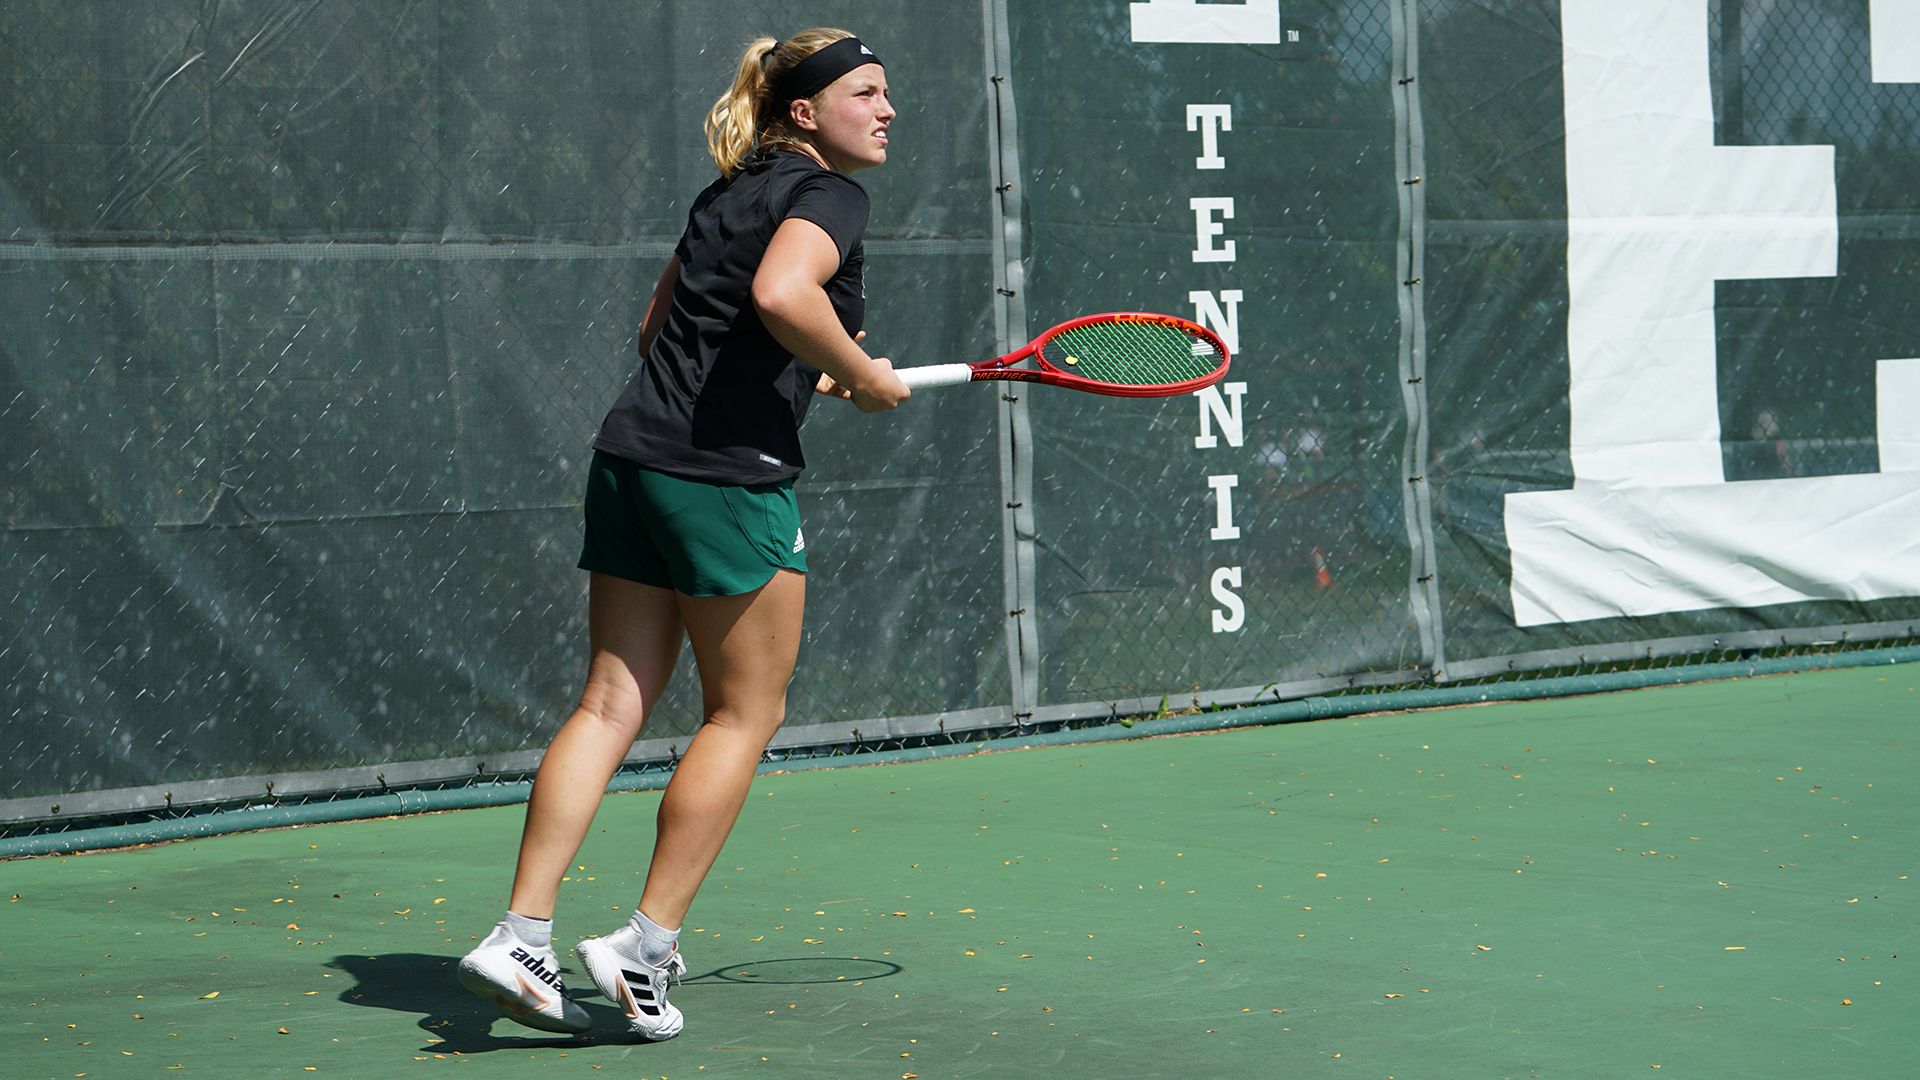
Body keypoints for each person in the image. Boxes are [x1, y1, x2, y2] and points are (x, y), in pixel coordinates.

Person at [456, 28, 906, 1042]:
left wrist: (812, 372)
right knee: (744, 715)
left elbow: (666, 325)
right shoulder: (831, 195)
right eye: (867, 92)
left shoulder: (729, 193)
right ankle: (643, 947)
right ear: (807, 111)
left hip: (631, 458)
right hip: (724, 481)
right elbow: (782, 296)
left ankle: (520, 935)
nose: (886, 111)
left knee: (610, 704)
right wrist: (866, 375)